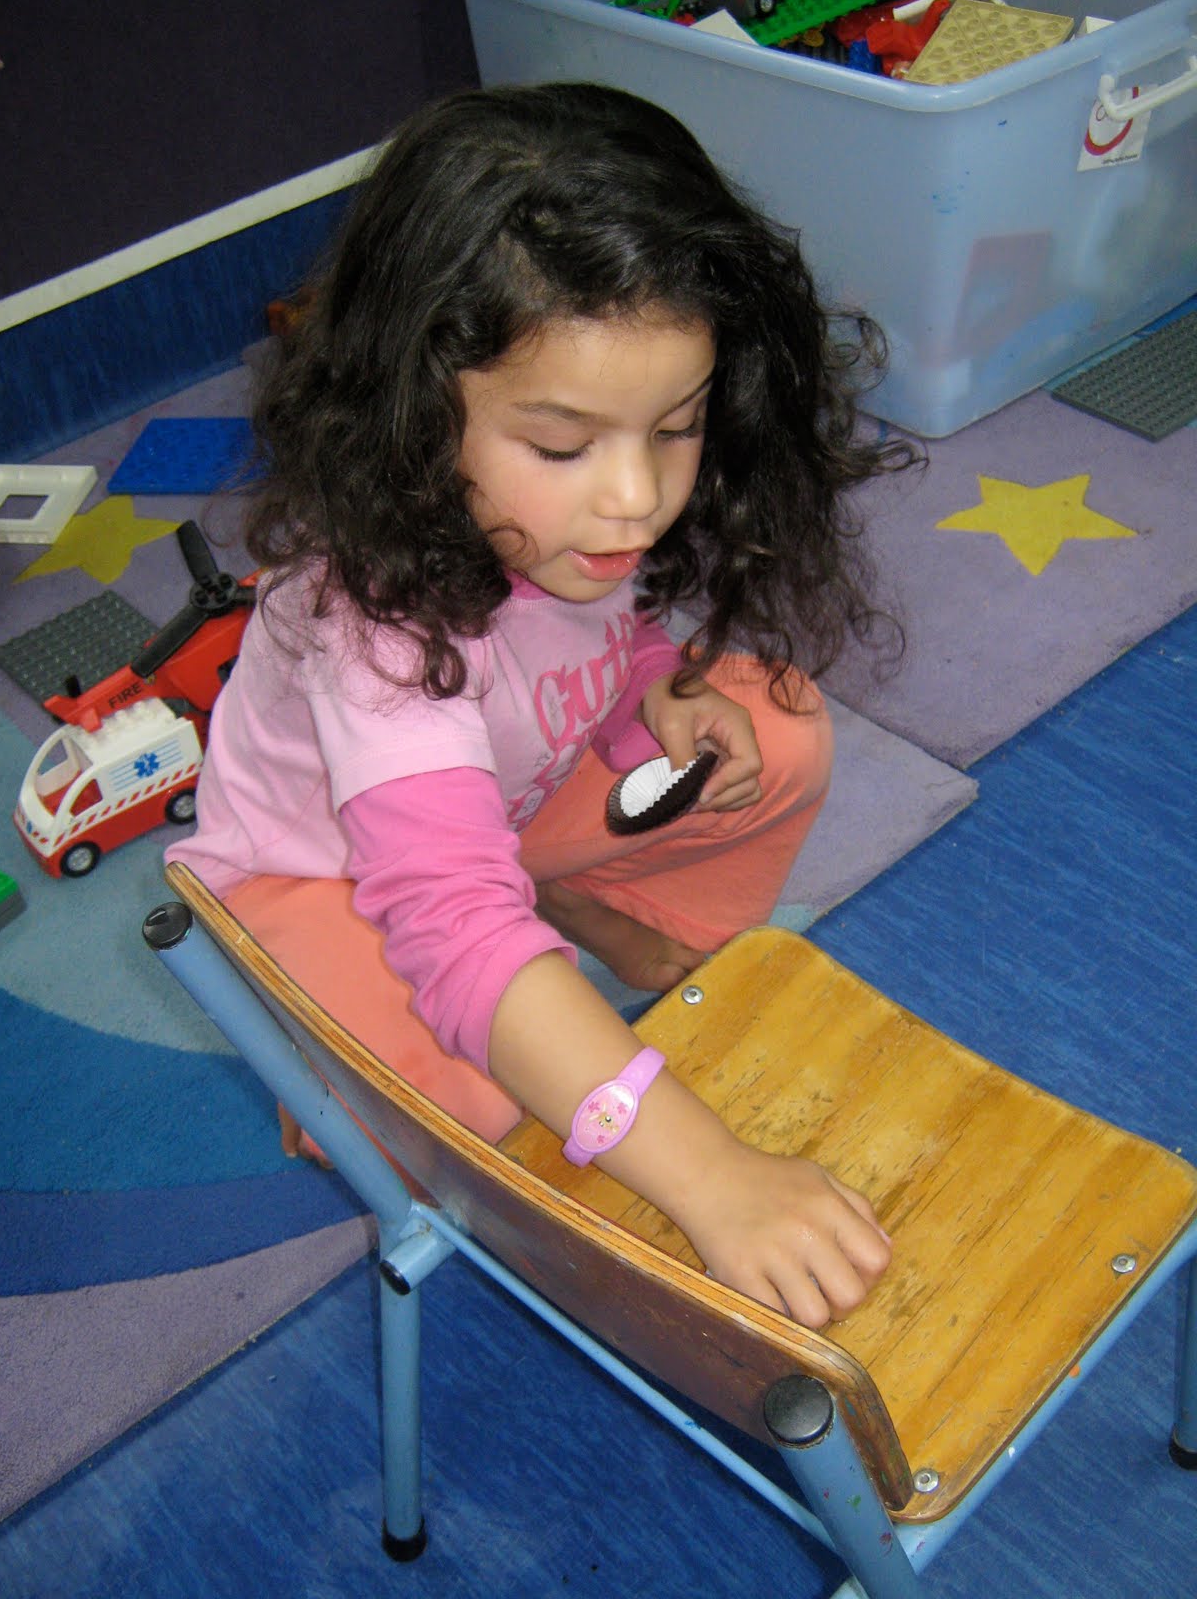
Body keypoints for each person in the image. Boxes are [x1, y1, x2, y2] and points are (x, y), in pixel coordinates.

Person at [170, 81, 917, 1329]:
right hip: (311, 882)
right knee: (480, 1106)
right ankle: (337, 1048)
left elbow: (581, 651)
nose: (632, 500)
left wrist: (646, 707)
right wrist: (712, 1176)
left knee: (769, 723)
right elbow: (454, 927)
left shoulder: (561, 531)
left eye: (674, 430)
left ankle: (582, 911)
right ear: (416, 415)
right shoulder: (376, 628)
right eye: (565, 447)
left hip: (485, 814)